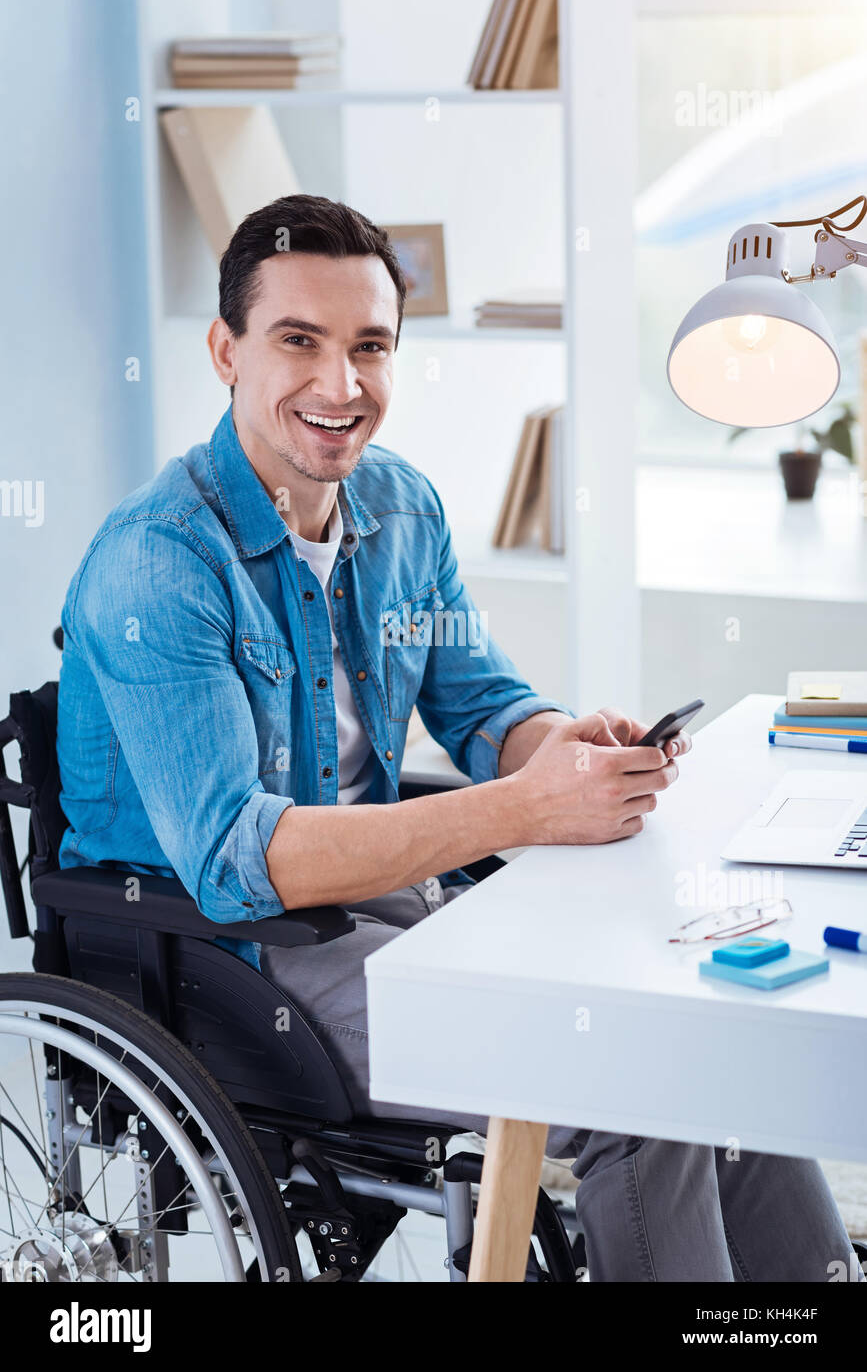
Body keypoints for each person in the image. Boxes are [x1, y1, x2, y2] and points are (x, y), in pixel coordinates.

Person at [57, 194, 858, 1281]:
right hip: (226, 957)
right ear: (225, 351)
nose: (342, 386)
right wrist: (524, 809)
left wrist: (564, 748)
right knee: (641, 1089)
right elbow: (240, 862)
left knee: (713, 1036)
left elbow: (483, 709)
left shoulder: (401, 508)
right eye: (299, 341)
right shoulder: (158, 563)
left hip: (395, 905)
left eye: (369, 347)